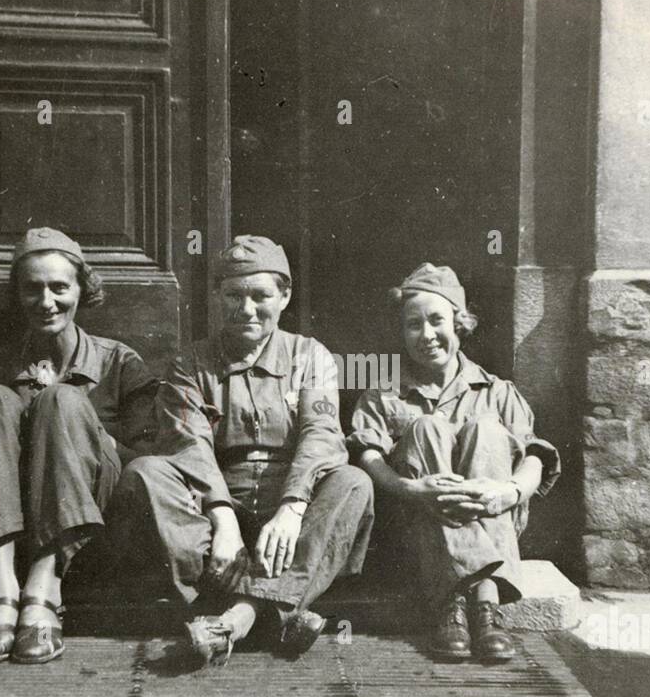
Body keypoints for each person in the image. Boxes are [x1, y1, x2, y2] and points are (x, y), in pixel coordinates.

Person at [115, 235, 374, 666]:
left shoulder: (312, 357)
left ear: (285, 295)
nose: (248, 309)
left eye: (261, 296)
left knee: (353, 482)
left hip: (289, 508)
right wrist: (223, 517)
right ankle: (275, 610)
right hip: (215, 509)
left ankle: (236, 618)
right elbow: (188, 443)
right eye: (234, 295)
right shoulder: (191, 363)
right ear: (217, 295)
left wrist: (292, 506)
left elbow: (322, 434)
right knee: (145, 472)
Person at [0, 227, 157, 665]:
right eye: (32, 289)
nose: (46, 302)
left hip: (91, 532)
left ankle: (44, 589)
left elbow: (147, 464)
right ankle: (2, 592)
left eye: (59, 287)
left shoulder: (119, 362)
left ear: (82, 289)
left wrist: (77, 425)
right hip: (11, 532)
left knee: (63, 398)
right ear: (17, 294)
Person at [348, 263, 560, 663]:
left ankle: (467, 603)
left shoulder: (498, 392)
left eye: (436, 321)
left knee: (488, 431)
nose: (426, 335)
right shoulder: (382, 394)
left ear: (460, 324)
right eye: (413, 325)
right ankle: (478, 601)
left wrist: (508, 490)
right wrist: (410, 488)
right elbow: (367, 454)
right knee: (427, 428)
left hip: (495, 512)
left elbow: (534, 455)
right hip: (414, 525)